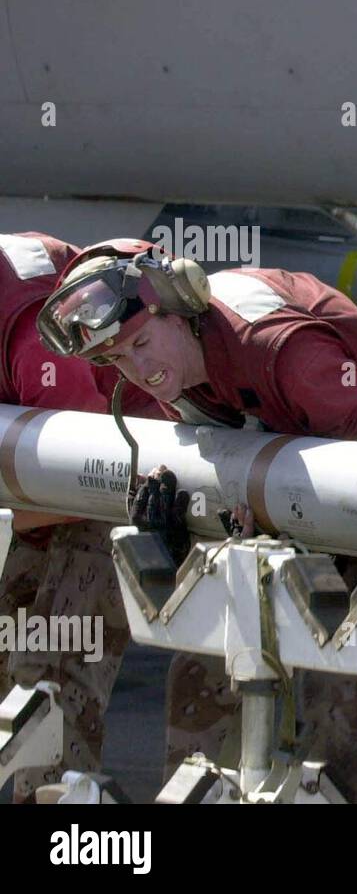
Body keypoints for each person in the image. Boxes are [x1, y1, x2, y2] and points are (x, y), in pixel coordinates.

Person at [37, 239, 357, 801]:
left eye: (143, 342)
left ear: (182, 305)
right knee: (209, 676)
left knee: (337, 683)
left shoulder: (278, 349)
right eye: (120, 358)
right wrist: (187, 534)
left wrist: (289, 540)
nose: (139, 370)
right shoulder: (175, 373)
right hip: (304, 523)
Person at [0, 231, 157, 802]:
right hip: (36, 473)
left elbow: (87, 467)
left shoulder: (27, 322)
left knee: (54, 673)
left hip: (113, 473)